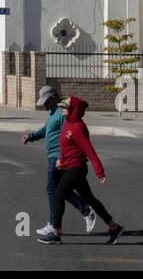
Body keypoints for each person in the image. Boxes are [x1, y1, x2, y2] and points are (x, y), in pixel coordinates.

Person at [39, 96, 124, 245]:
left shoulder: (78, 127)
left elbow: (89, 151)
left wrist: (99, 171)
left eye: (64, 108)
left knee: (58, 194)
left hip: (77, 168)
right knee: (89, 199)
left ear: (72, 109)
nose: (62, 110)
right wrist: (61, 161)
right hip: (69, 166)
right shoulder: (67, 124)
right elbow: (66, 147)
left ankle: (55, 232)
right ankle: (114, 227)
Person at [23, 85, 95, 238]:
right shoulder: (52, 112)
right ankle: (85, 210)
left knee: (53, 189)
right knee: (60, 190)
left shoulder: (63, 112)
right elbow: (47, 129)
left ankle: (53, 224)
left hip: (58, 156)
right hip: (54, 155)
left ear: (54, 97)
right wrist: (32, 136)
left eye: (46, 102)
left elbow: (68, 134)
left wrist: (63, 158)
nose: (44, 106)